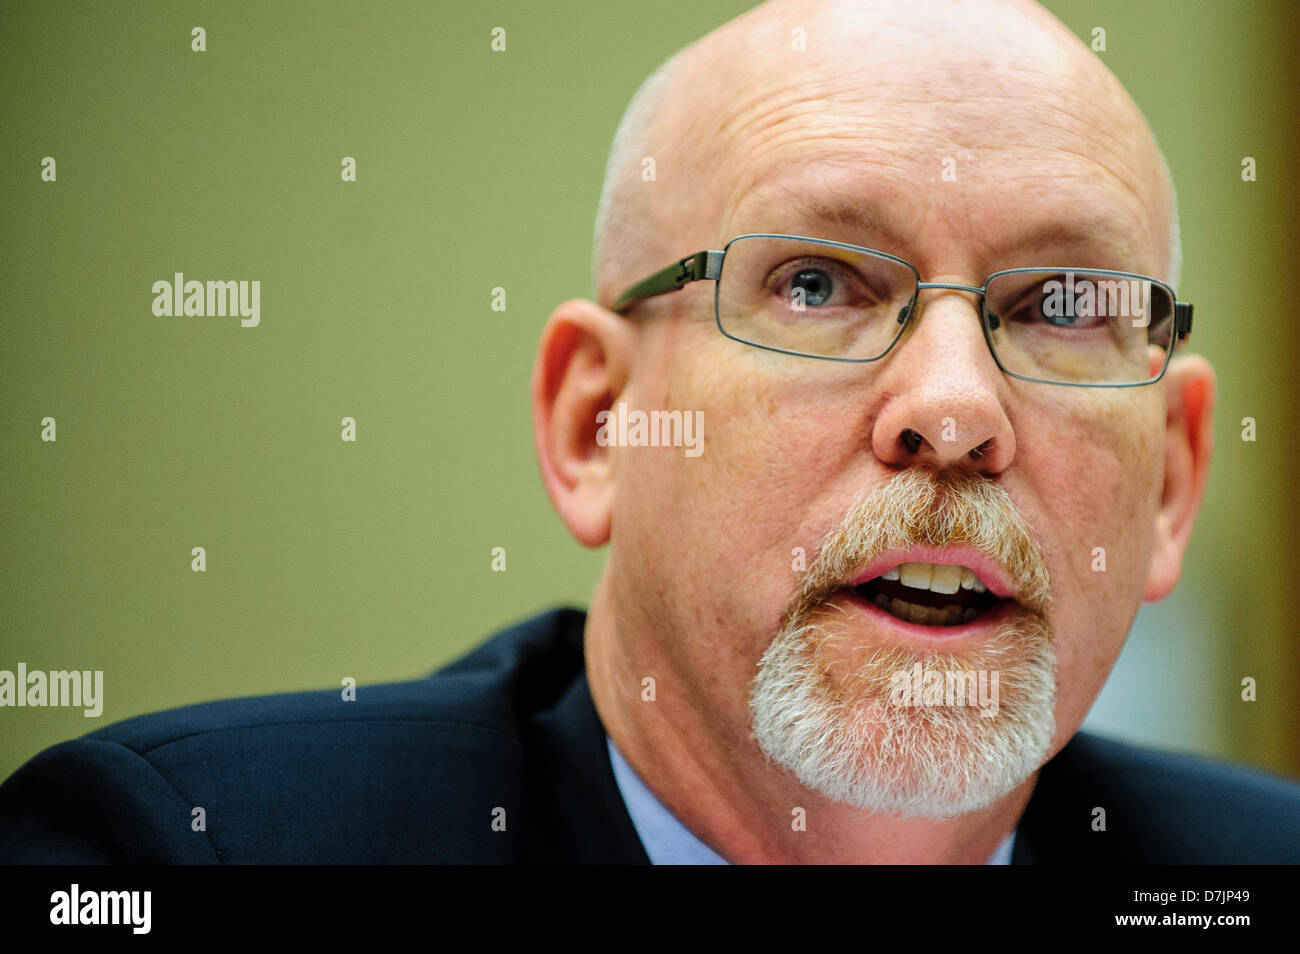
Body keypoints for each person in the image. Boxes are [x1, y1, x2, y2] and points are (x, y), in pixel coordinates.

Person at [2, 0, 1297, 864]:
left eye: (1062, 304)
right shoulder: (184, 846)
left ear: (1174, 479)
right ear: (595, 424)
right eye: (817, 284)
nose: (955, 408)